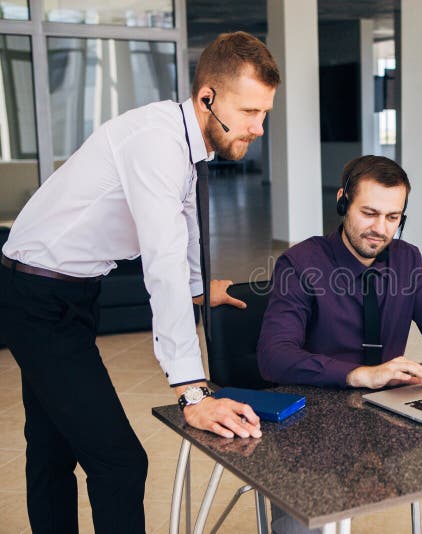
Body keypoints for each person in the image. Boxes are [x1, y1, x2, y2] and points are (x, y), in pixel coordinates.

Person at [0, 32, 276, 533]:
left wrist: (200, 286)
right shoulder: (156, 144)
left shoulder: (187, 140)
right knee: (121, 462)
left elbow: (184, 222)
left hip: (72, 290)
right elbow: (162, 262)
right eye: (251, 111)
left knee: (52, 446)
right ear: (207, 97)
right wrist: (192, 392)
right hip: (37, 297)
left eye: (265, 113)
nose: (259, 127)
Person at [257, 155, 422, 534]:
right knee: (300, 523)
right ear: (343, 201)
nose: (380, 229)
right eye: (369, 213)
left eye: (393, 218)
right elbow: (274, 357)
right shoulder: (300, 263)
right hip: (314, 421)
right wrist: (360, 374)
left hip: (390, 417)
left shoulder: (406, 260)